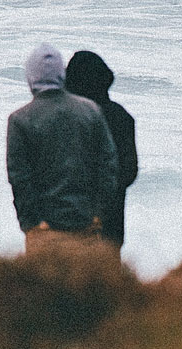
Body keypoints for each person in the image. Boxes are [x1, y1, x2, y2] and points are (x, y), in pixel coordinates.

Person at [8, 44, 118, 252]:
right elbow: (108, 166)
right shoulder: (90, 111)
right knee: (86, 284)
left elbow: (19, 178)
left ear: (31, 77)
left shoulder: (20, 119)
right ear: (62, 74)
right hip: (87, 227)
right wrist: (98, 214)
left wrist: (30, 223)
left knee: (45, 284)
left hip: (43, 231)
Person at [65, 50, 139, 249]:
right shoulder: (122, 116)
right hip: (112, 220)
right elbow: (130, 172)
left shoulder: (71, 118)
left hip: (71, 219)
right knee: (107, 276)